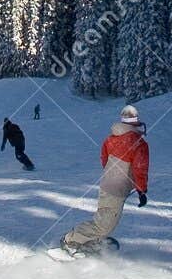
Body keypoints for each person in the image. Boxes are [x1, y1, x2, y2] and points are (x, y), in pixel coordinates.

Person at [61, 104, 149, 254]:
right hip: (116, 188)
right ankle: (72, 240)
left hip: (107, 183)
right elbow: (140, 168)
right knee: (105, 224)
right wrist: (141, 191)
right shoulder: (138, 143)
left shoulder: (111, 139)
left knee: (105, 217)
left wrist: (112, 174)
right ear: (136, 120)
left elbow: (104, 160)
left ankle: (89, 239)